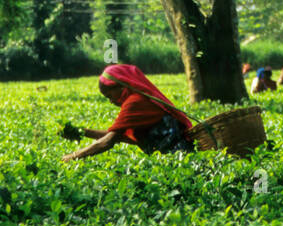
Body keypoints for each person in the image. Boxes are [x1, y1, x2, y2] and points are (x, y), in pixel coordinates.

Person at [62, 63, 193, 162]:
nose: (111, 101)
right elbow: (117, 135)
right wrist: (82, 131)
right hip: (177, 156)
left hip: (178, 158)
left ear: (121, 86)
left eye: (109, 95)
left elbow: (108, 141)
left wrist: (73, 156)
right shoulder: (138, 98)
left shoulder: (135, 102)